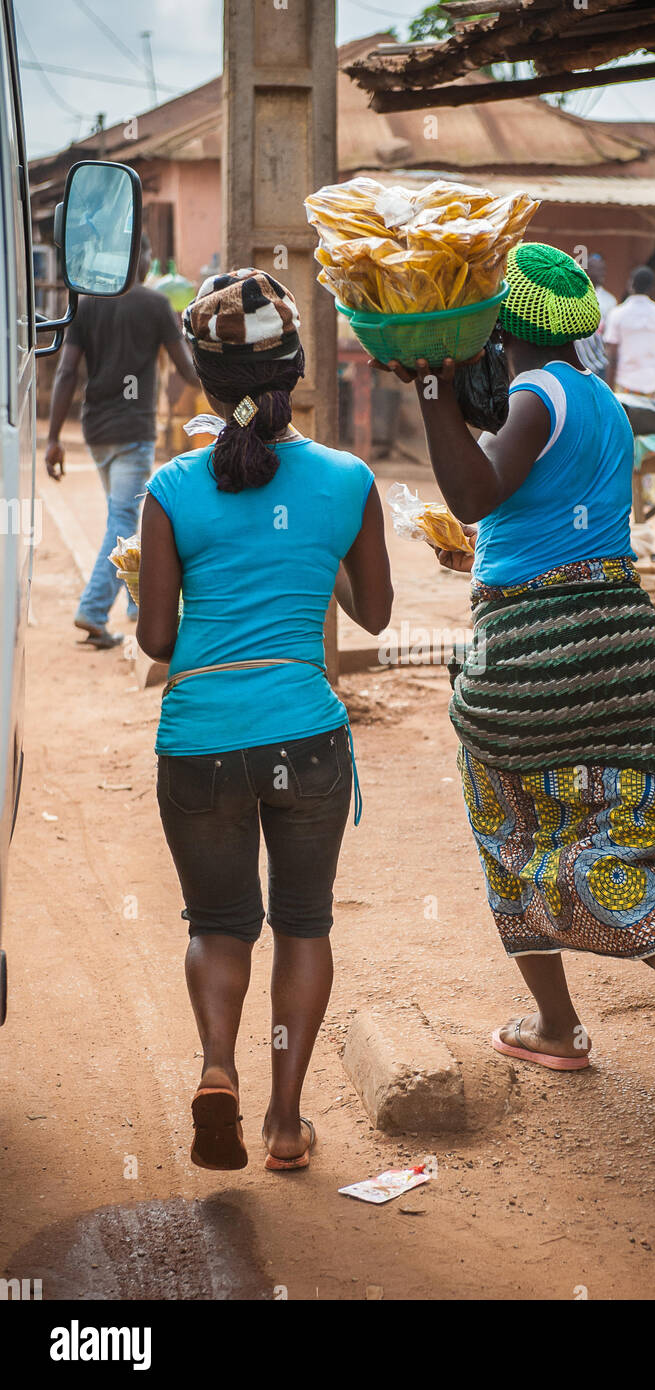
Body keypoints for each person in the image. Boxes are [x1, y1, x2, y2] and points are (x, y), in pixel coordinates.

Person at [382, 242, 655, 1138]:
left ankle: (557, 1025)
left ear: (499, 331)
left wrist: (430, 386)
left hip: (531, 658)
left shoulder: (534, 394)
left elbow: (471, 492)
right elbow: (533, 517)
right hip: (626, 647)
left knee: (512, 836)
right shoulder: (604, 403)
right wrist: (481, 551)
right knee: (627, 842)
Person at [136, 268, 392, 1171]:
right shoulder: (348, 479)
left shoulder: (169, 488)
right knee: (303, 925)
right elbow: (374, 615)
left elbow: (157, 636)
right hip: (306, 737)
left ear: (206, 383)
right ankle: (286, 1123)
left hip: (200, 740)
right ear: (296, 376)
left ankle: (217, 1068)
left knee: (216, 924)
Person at [45, 233, 199, 649]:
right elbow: (187, 370)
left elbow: (66, 373)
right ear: (143, 261)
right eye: (148, 255)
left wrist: (54, 437)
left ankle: (137, 603)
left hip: (96, 431)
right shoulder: (155, 306)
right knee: (124, 522)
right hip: (133, 432)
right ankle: (94, 611)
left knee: (124, 517)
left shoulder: (87, 304)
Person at [604, 264, 655, 400]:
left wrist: (609, 394)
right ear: (652, 288)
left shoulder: (617, 314)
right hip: (652, 386)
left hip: (624, 386)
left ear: (630, 285)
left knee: (625, 422)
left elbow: (612, 357)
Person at [574, 251, 616, 379]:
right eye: (596, 269)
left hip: (600, 362)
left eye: (603, 269)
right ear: (587, 270)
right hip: (578, 361)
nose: (601, 273)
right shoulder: (576, 295)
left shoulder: (610, 300)